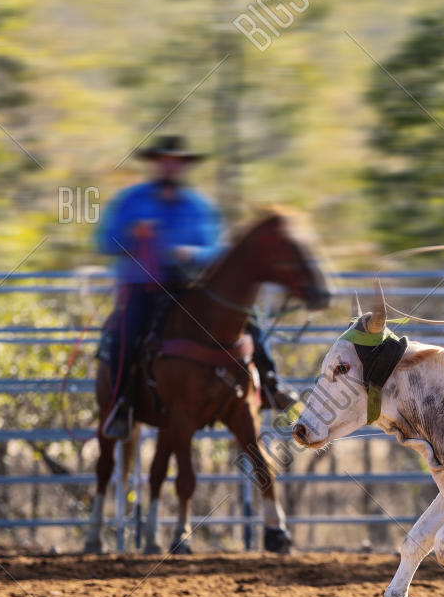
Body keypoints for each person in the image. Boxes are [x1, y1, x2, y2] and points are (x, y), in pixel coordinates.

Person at [95, 134, 296, 441]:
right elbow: (104, 241)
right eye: (164, 160)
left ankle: (270, 382)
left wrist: (190, 253)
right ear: (155, 163)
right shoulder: (131, 200)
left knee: (245, 317)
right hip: (143, 286)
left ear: (184, 166)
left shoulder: (200, 207)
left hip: (189, 287)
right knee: (126, 330)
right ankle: (121, 405)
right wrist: (132, 236)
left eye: (176, 162)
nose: (170, 166)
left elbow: (217, 251)